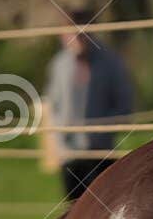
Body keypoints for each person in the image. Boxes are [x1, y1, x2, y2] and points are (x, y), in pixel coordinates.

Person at [44, 13, 135, 200]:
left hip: (102, 152)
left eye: (83, 33)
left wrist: (104, 131)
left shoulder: (111, 63)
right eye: (72, 34)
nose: (78, 39)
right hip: (70, 154)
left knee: (103, 207)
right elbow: (53, 106)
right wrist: (60, 141)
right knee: (73, 212)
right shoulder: (59, 65)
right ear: (63, 36)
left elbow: (124, 103)